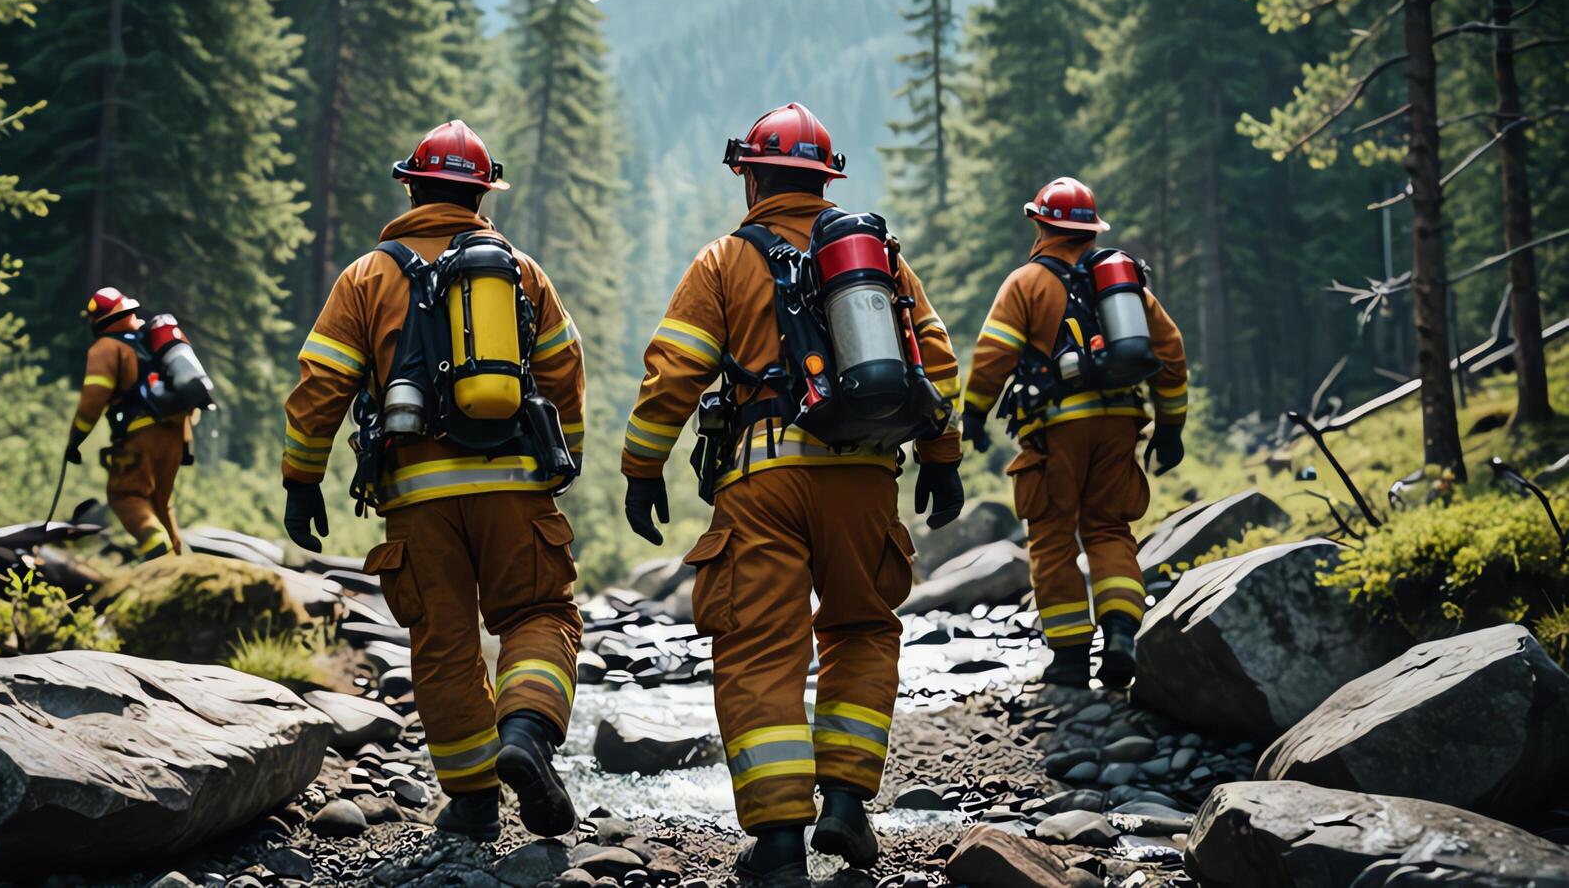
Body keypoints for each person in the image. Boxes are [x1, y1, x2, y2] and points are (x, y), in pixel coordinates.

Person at [621, 103, 965, 879]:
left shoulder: (723, 261)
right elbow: (935, 361)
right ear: (824, 180)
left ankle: (778, 841)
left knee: (758, 648)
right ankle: (844, 804)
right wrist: (941, 458)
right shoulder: (875, 258)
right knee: (862, 630)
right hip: (865, 477)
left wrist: (641, 468)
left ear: (751, 179)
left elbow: (672, 373)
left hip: (762, 482)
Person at [280, 120, 586, 842]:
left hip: (417, 498)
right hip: (515, 486)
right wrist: (561, 458)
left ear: (412, 189)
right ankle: (526, 734)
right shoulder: (521, 272)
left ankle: (474, 802)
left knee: (442, 640)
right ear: (482, 197)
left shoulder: (366, 277)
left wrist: (302, 478)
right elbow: (565, 371)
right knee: (539, 613)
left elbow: (321, 385)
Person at [959, 177, 1188, 690]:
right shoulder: (1124, 286)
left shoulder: (1026, 283)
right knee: (1109, 528)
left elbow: (995, 352)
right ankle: (1121, 632)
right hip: (1119, 426)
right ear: (1091, 230)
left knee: (1052, 535)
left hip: (1053, 431)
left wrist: (973, 413)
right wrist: (1171, 427)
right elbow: (1171, 352)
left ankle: (1069, 658)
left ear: (1040, 224)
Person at [67, 288, 193, 560]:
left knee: (125, 496)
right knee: (159, 502)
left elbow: (92, 402)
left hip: (140, 433)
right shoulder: (153, 341)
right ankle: (178, 563)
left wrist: (75, 441)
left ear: (97, 320)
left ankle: (159, 552)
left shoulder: (107, 347)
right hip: (177, 431)